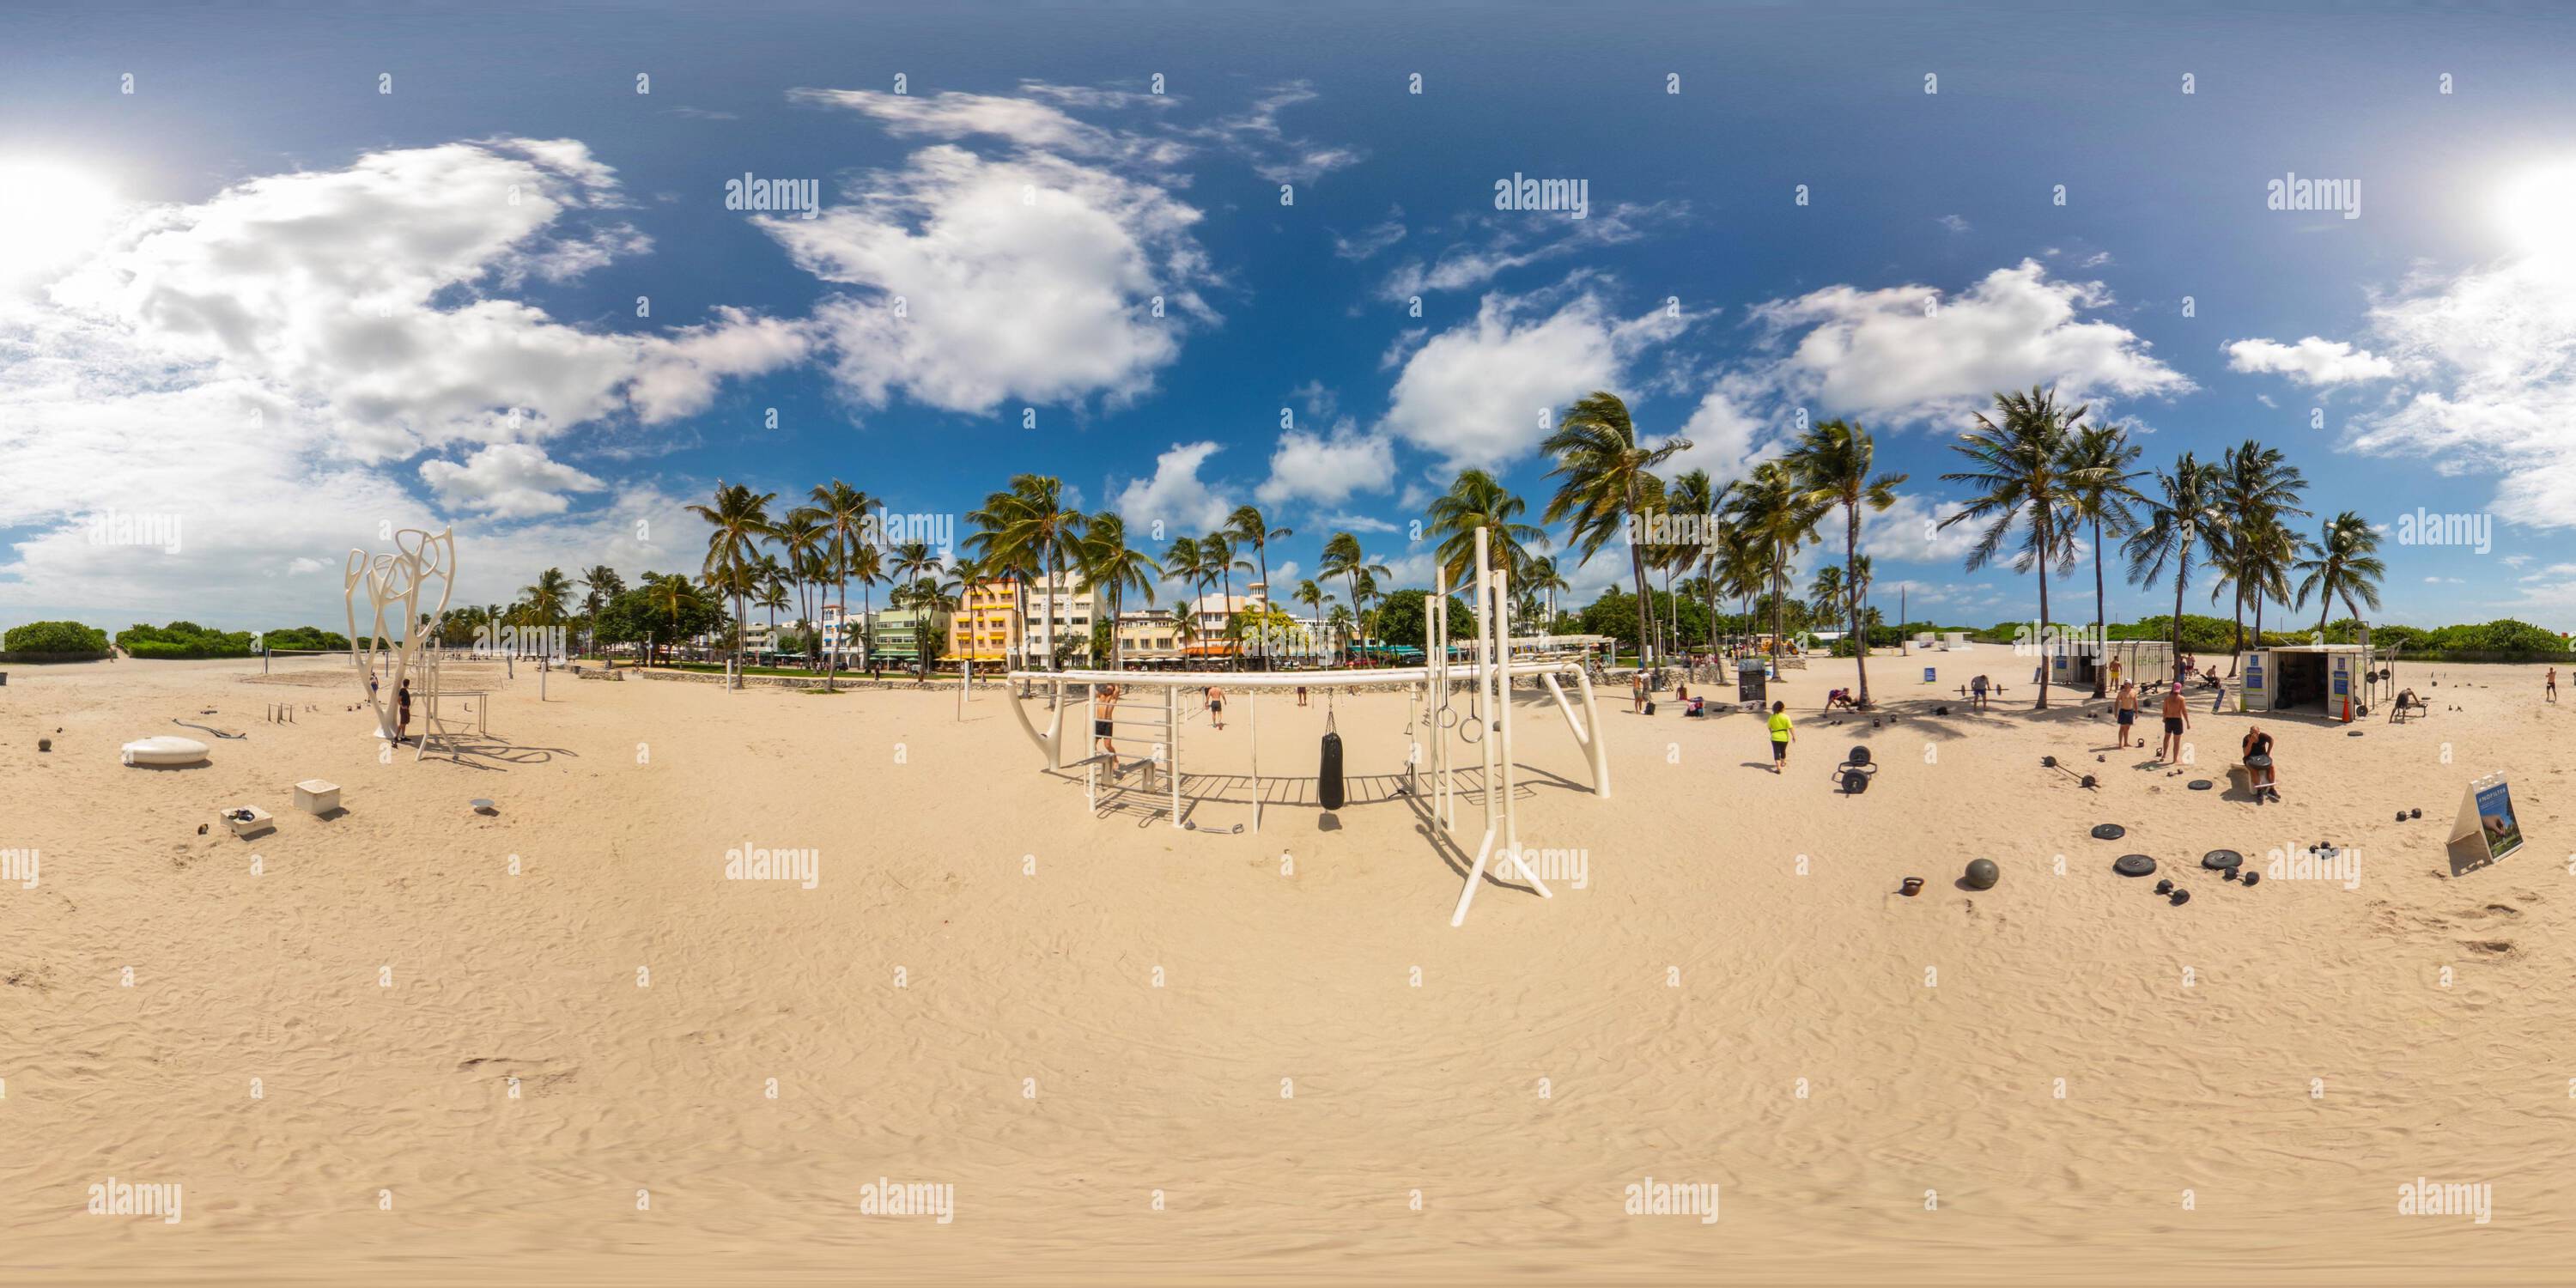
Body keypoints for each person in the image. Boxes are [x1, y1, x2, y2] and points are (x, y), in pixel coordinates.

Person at [2242, 724, 2279, 803]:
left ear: (2259, 732)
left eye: (2256, 733)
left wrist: (2268, 753)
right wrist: (2251, 742)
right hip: (2250, 758)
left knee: (2271, 767)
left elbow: (2271, 740)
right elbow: (2245, 754)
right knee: (2253, 770)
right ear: (2250, 733)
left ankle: (2272, 788)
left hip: (2262, 757)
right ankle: (2259, 790)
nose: (2254, 735)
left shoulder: (2262, 736)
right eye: (2252, 733)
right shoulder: (2246, 739)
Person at [2158, 680, 2190, 764]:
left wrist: (2164, 718)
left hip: (2168, 719)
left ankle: (2164, 755)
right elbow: (2184, 711)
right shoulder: (2181, 699)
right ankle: (2174, 759)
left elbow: (2164, 710)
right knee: (2176, 741)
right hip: (2177, 720)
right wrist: (2187, 722)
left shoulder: (2167, 698)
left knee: (2166, 738)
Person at [1766, 699, 1794, 773]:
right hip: (1784, 737)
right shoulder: (1786, 717)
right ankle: (1782, 763)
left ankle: (1778, 767)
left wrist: (1771, 733)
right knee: (1783, 751)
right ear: (1782, 708)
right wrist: (1794, 736)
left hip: (1775, 737)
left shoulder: (1772, 717)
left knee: (1776, 752)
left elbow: (1769, 726)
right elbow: (1790, 727)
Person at [1093, 683, 1120, 757]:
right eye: (1107, 688)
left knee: (1107, 745)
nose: (1108, 690)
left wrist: (1116, 680)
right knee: (1092, 744)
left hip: (1107, 723)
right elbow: (1094, 689)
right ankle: (1095, 757)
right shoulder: (1100, 697)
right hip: (1098, 722)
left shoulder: (1113, 699)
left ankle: (1115, 760)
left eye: (1111, 689)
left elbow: (1117, 690)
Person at [2114, 679, 2140, 749]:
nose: (2125, 685)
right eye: (2125, 684)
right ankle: (2120, 744)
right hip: (2123, 711)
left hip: (2130, 711)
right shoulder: (2121, 693)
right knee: (2122, 728)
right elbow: (2116, 702)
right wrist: (2116, 712)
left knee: (2127, 728)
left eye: (2126, 684)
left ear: (2130, 685)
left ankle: (2126, 743)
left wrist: (2136, 712)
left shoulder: (2134, 692)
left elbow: (2136, 703)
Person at [394, 678, 412, 745]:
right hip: (404, 709)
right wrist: (402, 706)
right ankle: (396, 737)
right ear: (407, 684)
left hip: (406, 709)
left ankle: (403, 736)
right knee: (402, 723)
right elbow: (398, 700)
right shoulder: (402, 690)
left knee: (404, 723)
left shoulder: (405, 690)